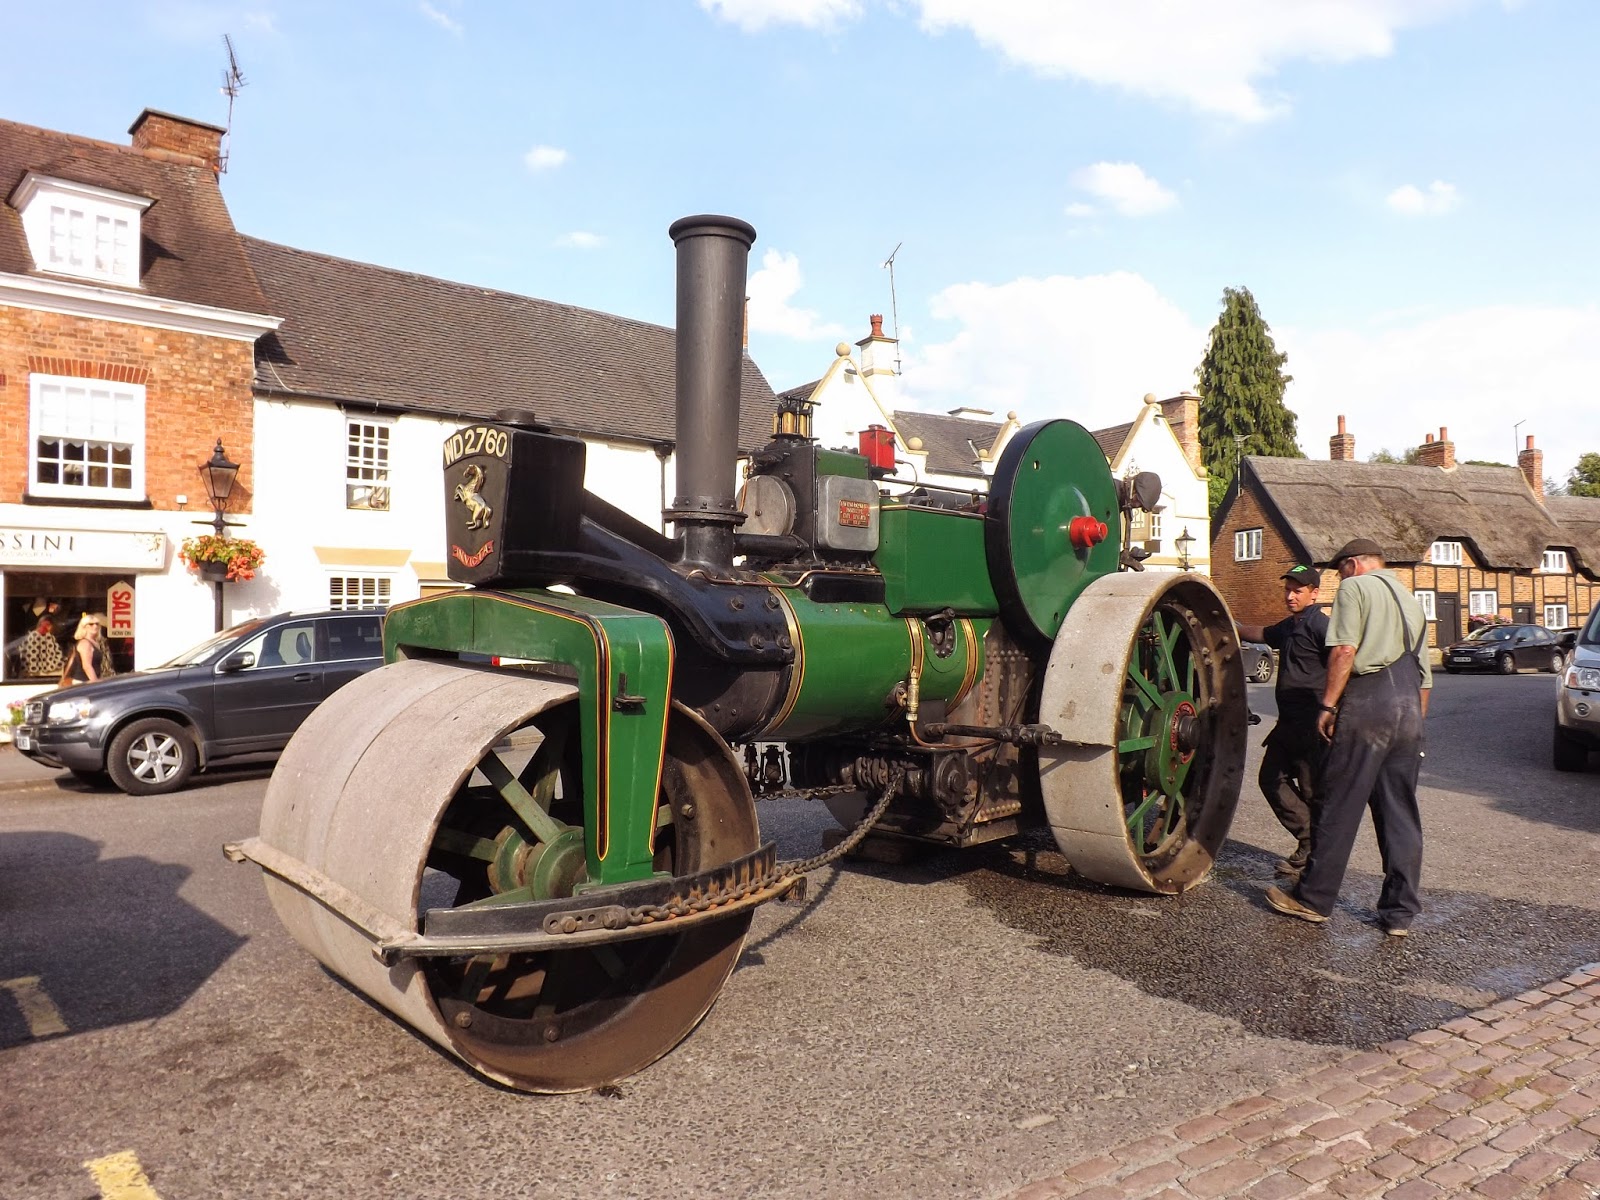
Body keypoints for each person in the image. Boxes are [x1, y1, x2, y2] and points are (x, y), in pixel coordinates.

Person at [1266, 538, 1431, 937]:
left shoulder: (1356, 588)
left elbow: (1343, 650)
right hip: (1409, 708)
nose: (1340, 579)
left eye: (1340, 571)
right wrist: (1413, 727)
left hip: (1370, 702)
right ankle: (1399, 914)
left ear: (1354, 565)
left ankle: (1313, 899)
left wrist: (1327, 706)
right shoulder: (1411, 602)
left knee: (1337, 803)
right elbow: (1425, 678)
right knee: (1400, 813)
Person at [1236, 565, 1329, 879]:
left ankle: (1317, 863)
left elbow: (1343, 664)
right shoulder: (1291, 626)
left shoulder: (1321, 626)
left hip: (1312, 725)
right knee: (1270, 779)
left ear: (1314, 593)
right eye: (1287, 590)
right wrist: (1229, 624)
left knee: (1313, 791)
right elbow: (1262, 634)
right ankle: (1308, 840)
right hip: (1288, 724)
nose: (1290, 596)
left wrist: (1333, 711)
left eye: (1297, 591)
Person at [61, 614, 108, 685]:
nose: (95, 626)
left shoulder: (94, 642)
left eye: (97, 624)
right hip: (83, 682)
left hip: (88, 682)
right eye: (91, 624)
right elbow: (87, 666)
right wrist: (95, 683)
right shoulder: (85, 643)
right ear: (84, 627)